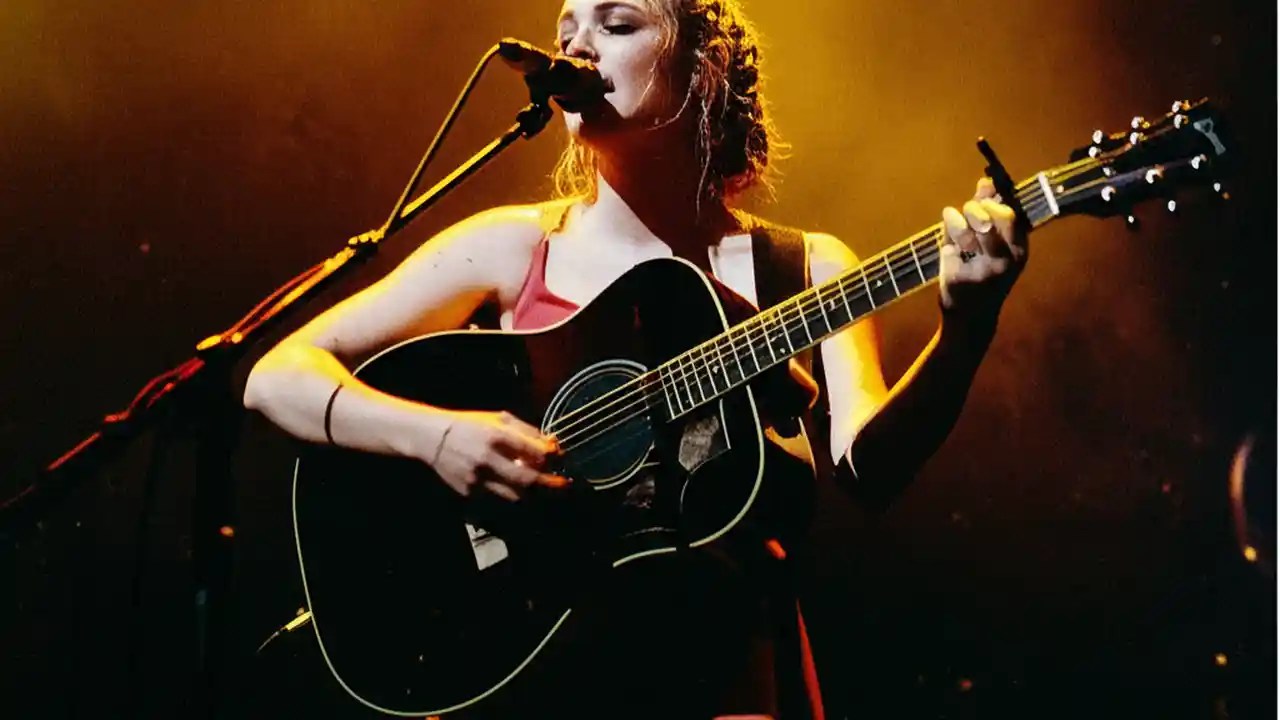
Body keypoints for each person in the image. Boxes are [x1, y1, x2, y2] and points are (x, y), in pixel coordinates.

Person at [242, 1, 1028, 718]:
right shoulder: (513, 248)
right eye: (566, 33)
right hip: (542, 683)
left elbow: (869, 469)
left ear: (703, 66)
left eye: (616, 25)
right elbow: (278, 376)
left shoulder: (803, 268)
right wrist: (438, 438)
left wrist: (966, 329)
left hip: (729, 684)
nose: (579, 47)